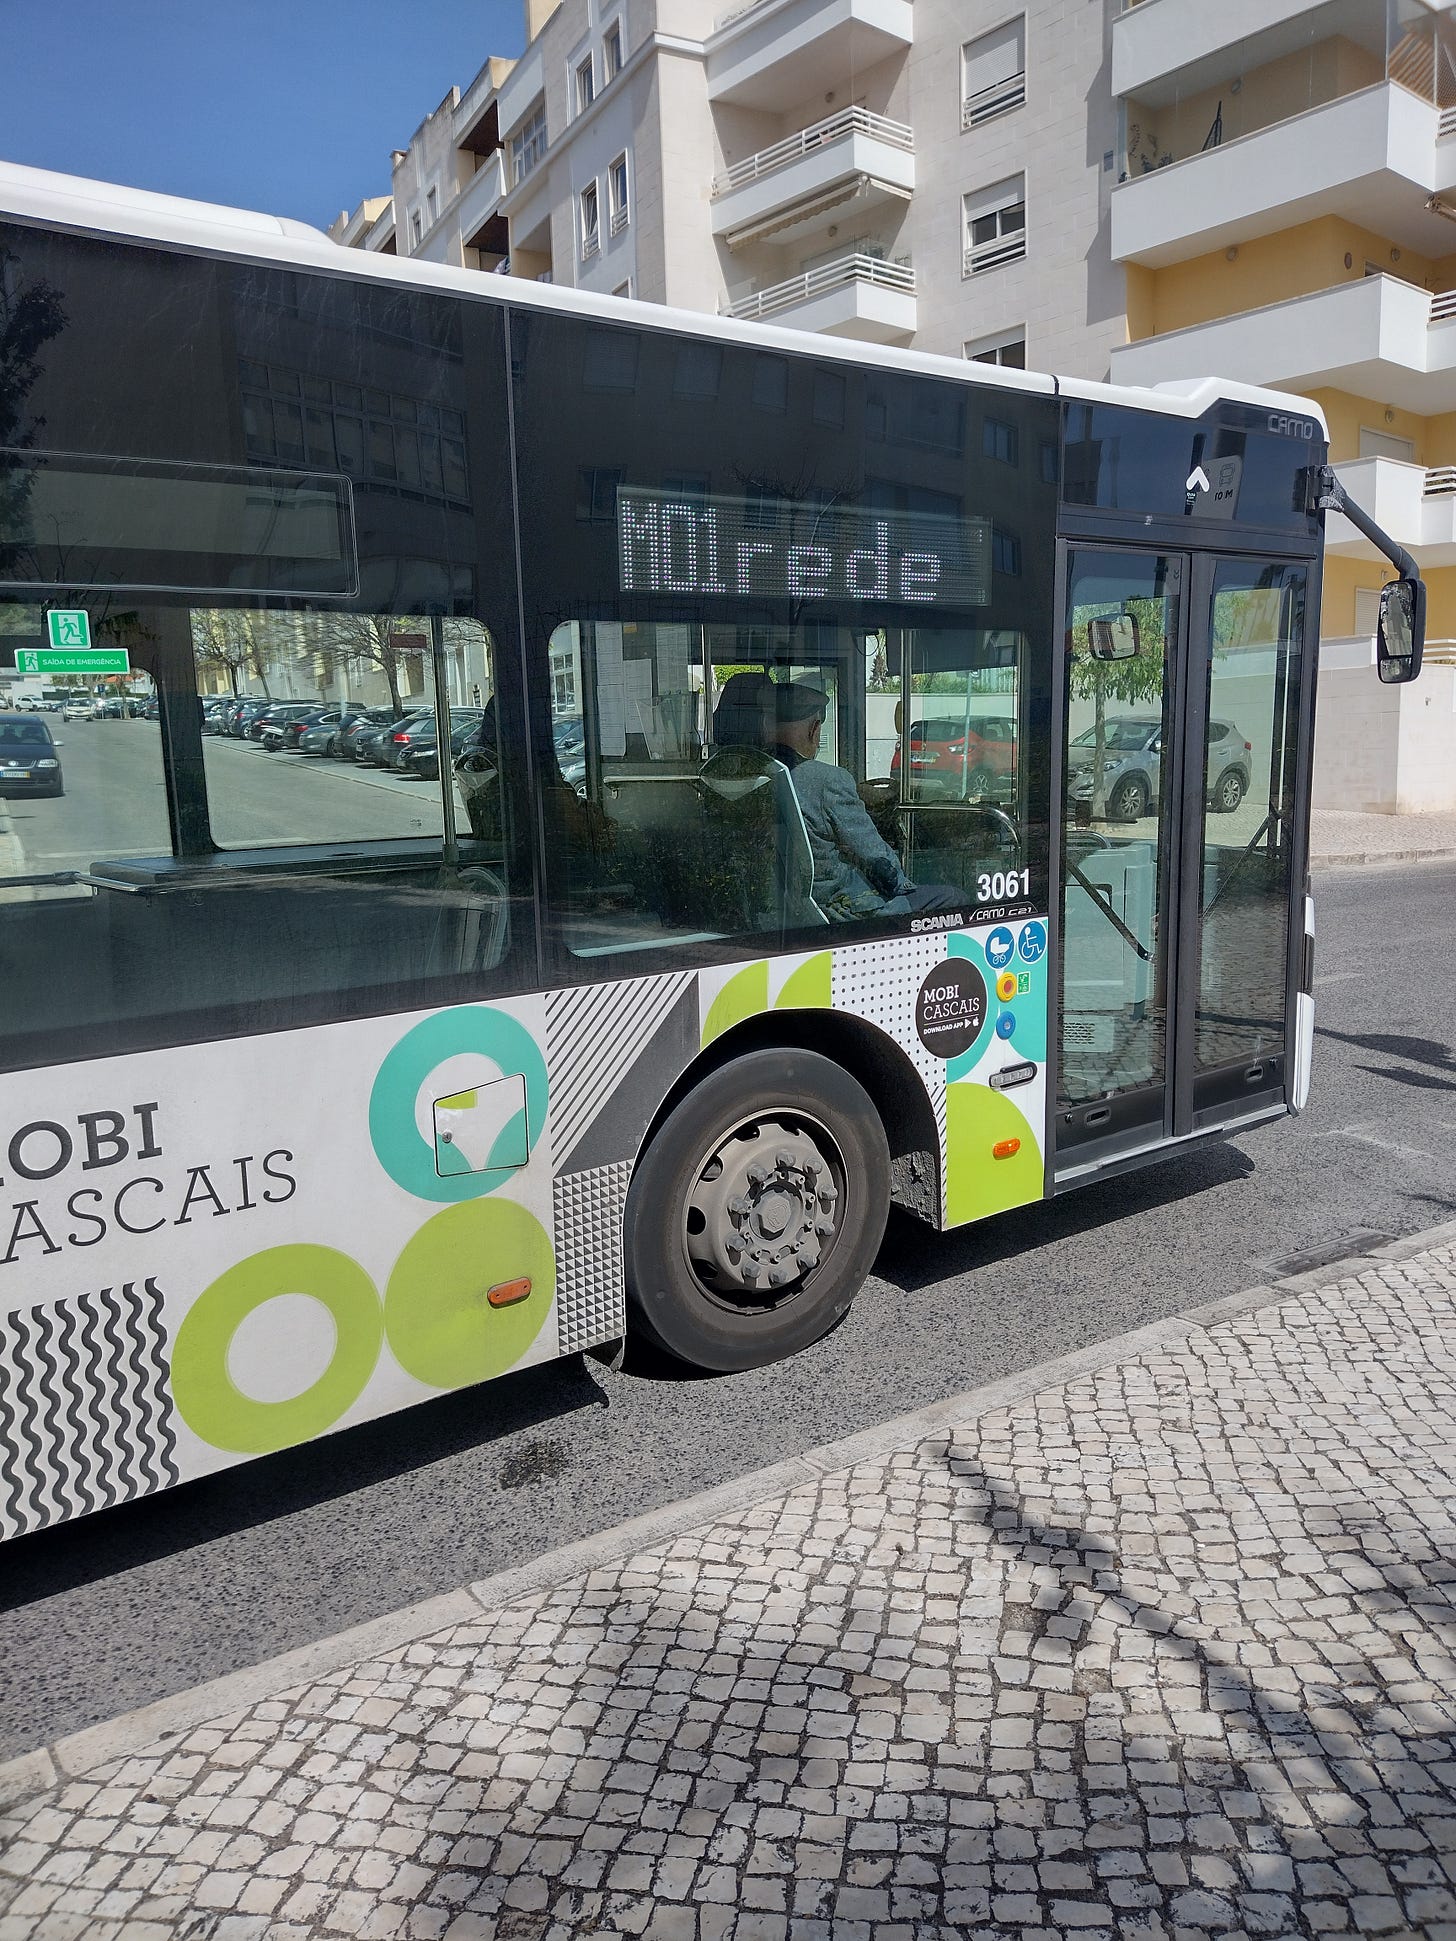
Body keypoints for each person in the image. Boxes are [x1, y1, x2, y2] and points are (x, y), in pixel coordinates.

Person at [769, 683, 963, 921]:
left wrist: (856, 794)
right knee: (953, 897)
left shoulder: (754, 773)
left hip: (787, 907)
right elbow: (875, 857)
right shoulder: (828, 779)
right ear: (814, 730)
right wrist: (900, 880)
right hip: (840, 909)